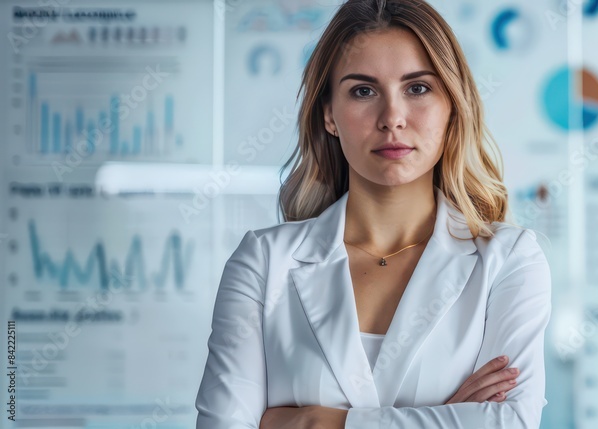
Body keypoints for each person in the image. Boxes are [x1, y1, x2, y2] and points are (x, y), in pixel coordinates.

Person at [194, 0, 552, 428]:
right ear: (329, 114)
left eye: (418, 88)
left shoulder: (508, 260)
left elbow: (510, 422)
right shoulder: (263, 261)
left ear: (451, 106)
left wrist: (312, 421)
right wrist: (444, 417)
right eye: (363, 91)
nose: (392, 118)